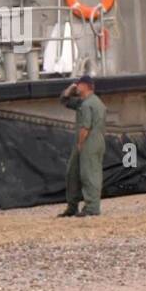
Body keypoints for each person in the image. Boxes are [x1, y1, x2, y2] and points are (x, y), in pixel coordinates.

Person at [58, 75, 106, 217]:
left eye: (78, 84)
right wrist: (70, 90)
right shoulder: (86, 102)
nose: (76, 86)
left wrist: (80, 143)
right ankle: (72, 206)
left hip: (88, 141)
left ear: (85, 86)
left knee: (89, 174)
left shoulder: (87, 104)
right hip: (88, 142)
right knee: (72, 173)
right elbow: (64, 101)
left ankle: (92, 207)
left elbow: (86, 127)